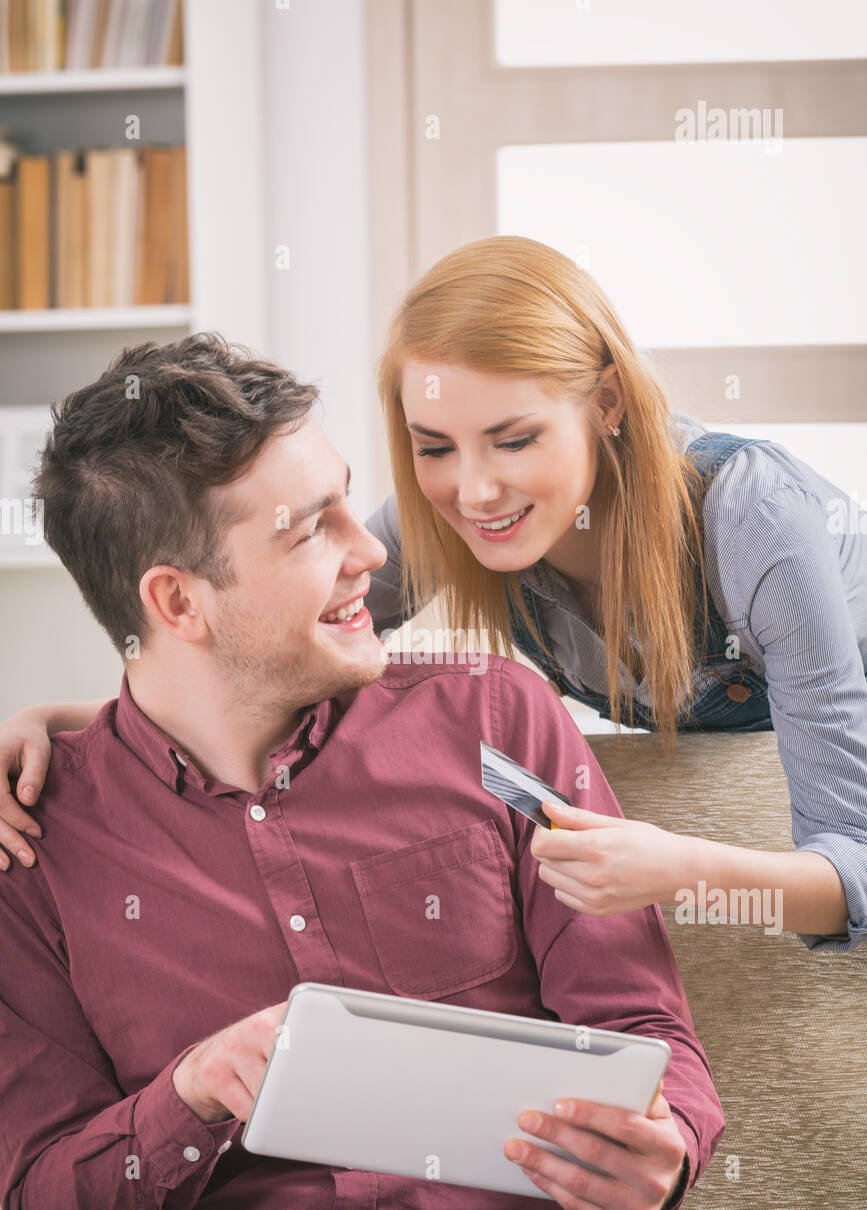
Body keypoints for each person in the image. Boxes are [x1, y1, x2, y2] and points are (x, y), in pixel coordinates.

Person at [0, 333, 723, 1210]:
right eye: (313, 530)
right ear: (178, 602)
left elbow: (639, 1023)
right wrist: (192, 1093)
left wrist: (665, 1140)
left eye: (351, 497)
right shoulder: (36, 843)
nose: (374, 551)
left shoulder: (499, 724)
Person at [2, 238, 865, 953]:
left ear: (605, 402)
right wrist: (70, 727)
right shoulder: (446, 516)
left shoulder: (753, 519)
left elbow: (851, 873)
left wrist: (676, 873)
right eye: (435, 447)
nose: (475, 491)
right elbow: (260, 647)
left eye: (513, 439)